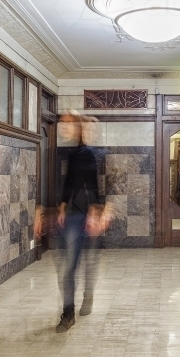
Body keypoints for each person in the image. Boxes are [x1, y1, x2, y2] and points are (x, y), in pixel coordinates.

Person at [53, 112, 111, 332]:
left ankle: (85, 295)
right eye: (62, 124)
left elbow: (93, 185)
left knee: (86, 260)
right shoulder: (71, 152)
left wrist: (96, 213)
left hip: (84, 214)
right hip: (72, 215)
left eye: (68, 124)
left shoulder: (88, 153)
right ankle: (68, 312)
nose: (63, 128)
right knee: (70, 265)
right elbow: (69, 182)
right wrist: (61, 207)